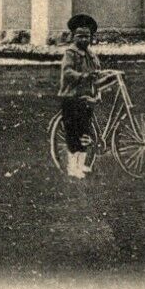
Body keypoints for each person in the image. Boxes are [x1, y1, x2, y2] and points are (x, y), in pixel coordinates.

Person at [59, 14, 103, 178]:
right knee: (73, 133)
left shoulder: (91, 55)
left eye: (87, 36)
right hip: (72, 98)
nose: (84, 39)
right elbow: (67, 72)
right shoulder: (71, 53)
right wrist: (83, 76)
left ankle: (81, 164)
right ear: (73, 36)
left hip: (86, 98)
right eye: (80, 36)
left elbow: (97, 70)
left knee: (85, 132)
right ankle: (72, 167)